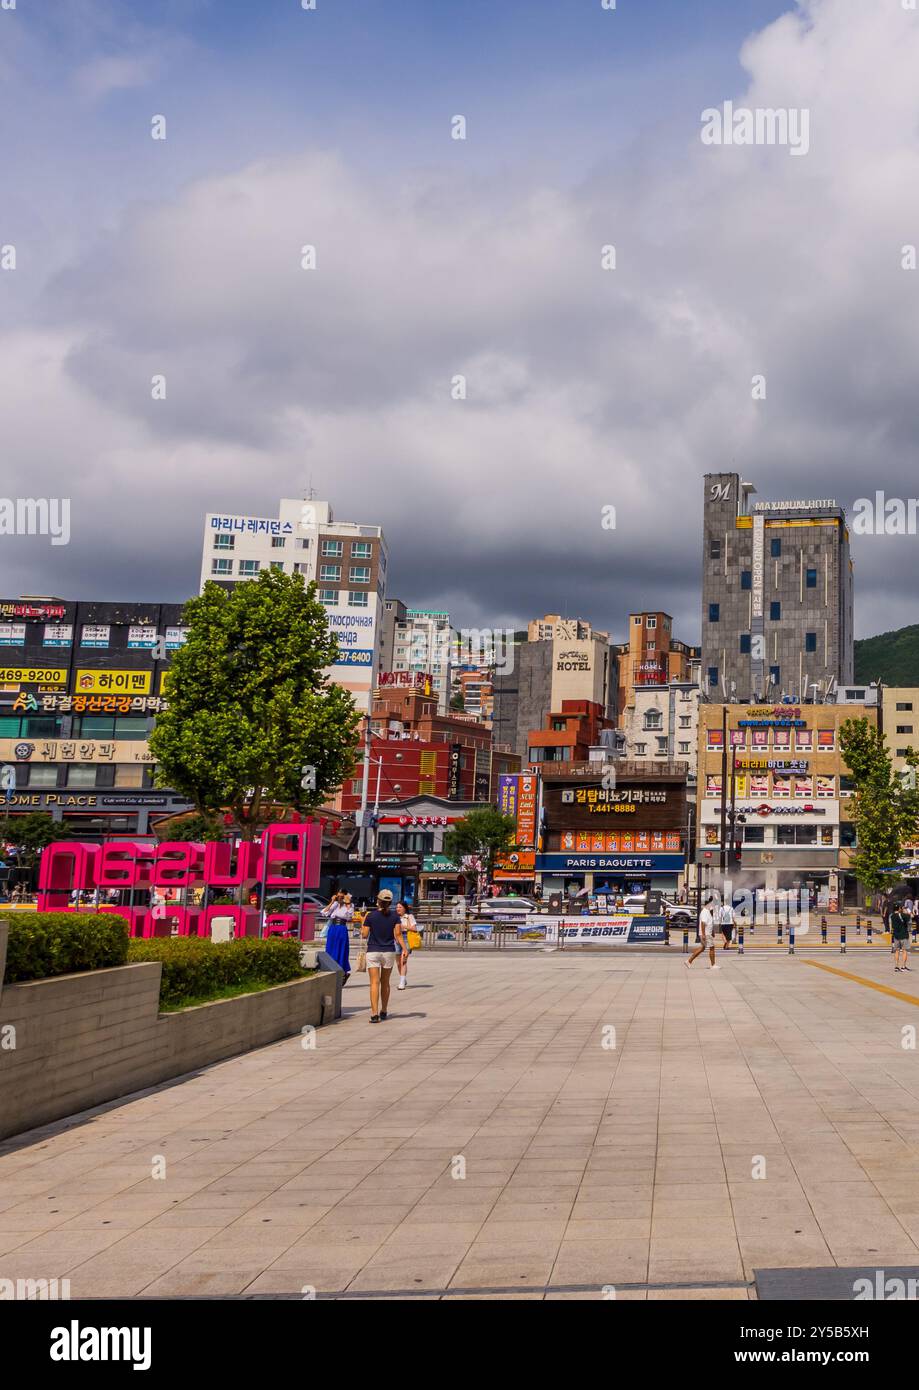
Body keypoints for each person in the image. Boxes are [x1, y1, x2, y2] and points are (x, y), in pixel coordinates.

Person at [360, 889, 406, 1023]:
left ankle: (374, 1014)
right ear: (390, 902)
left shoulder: (371, 916)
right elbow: (398, 935)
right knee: (385, 982)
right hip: (388, 951)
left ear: (378, 901)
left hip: (373, 950)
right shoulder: (394, 917)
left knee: (374, 983)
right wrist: (404, 949)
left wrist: (363, 920)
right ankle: (384, 1010)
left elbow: (364, 934)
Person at [322, 891, 353, 983]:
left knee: (341, 950)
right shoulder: (335, 904)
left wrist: (348, 903)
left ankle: (343, 972)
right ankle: (331, 971)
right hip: (333, 929)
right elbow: (324, 912)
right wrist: (332, 901)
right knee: (330, 950)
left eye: (341, 897)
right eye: (338, 896)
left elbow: (349, 916)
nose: (339, 898)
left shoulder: (350, 905)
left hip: (341, 929)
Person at [685, 899, 720, 970]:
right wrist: (703, 934)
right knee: (712, 948)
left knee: (702, 948)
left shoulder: (707, 912)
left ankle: (689, 961)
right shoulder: (705, 912)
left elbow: (709, 923)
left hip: (707, 933)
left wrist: (712, 931)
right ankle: (713, 965)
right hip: (706, 934)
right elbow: (703, 923)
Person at [395, 900, 417, 990]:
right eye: (397, 907)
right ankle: (403, 978)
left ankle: (401, 982)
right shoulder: (394, 917)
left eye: (400, 907)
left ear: (404, 908)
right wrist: (395, 938)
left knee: (403, 960)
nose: (398, 909)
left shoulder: (409, 916)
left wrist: (403, 927)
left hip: (406, 938)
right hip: (396, 938)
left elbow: (414, 928)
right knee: (398, 962)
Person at [891, 901, 912, 973]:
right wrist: (906, 910)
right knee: (904, 951)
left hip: (896, 936)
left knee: (896, 951)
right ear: (899, 908)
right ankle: (903, 966)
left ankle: (896, 966)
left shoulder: (892, 916)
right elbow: (911, 916)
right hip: (903, 935)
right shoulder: (903, 915)